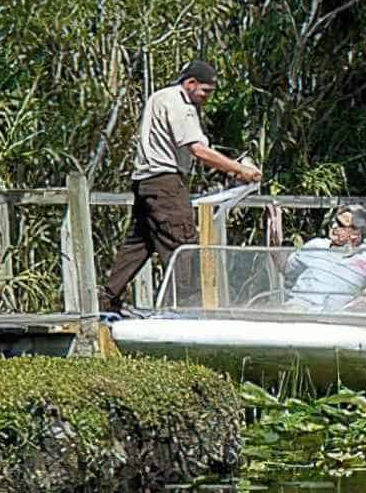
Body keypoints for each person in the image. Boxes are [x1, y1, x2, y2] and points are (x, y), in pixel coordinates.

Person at [100, 60, 262, 313]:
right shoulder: (180, 104)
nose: (206, 98)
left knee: (139, 244)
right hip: (166, 183)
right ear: (190, 84)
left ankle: (108, 298)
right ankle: (189, 306)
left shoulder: (159, 97)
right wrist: (239, 169)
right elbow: (197, 150)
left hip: (145, 182)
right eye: (205, 91)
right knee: (184, 246)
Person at [285, 206, 366, 311]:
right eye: (335, 221)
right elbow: (288, 271)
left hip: (336, 319)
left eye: (341, 225)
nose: (334, 226)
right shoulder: (316, 245)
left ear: (356, 234)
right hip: (297, 310)